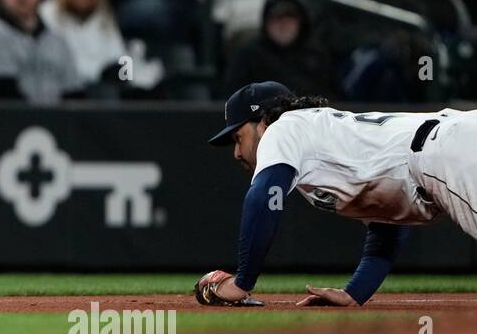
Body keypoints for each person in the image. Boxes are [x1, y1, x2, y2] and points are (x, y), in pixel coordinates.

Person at [198, 82, 477, 307]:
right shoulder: (322, 136)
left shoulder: (281, 128)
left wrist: (242, 282)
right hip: (452, 142)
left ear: (262, 121)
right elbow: (388, 222)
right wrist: (354, 292)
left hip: (447, 149)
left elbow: (264, 199)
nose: (236, 153)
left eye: (238, 138)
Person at [39, 0, 128, 88]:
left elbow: (121, 59)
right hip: (62, 88)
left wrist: (123, 76)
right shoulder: (48, 12)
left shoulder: (103, 16)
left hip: (99, 91)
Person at [223, 0, 336, 97]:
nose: (284, 25)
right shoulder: (249, 56)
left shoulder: (317, 54)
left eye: (289, 19)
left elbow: (331, 98)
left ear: (301, 22)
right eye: (277, 19)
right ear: (266, 23)